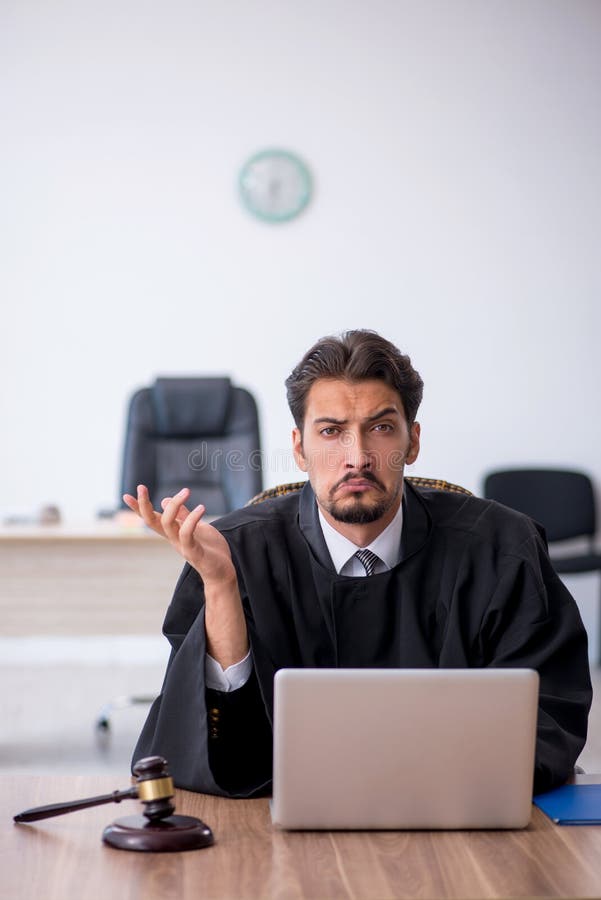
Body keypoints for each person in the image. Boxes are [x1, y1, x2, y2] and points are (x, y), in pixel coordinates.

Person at [125, 330, 592, 798]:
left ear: (412, 442)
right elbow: (220, 746)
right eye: (331, 432)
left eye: (382, 427)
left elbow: (549, 712)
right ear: (300, 449)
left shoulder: (502, 548)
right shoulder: (233, 553)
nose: (358, 457)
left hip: (456, 817)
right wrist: (222, 584)